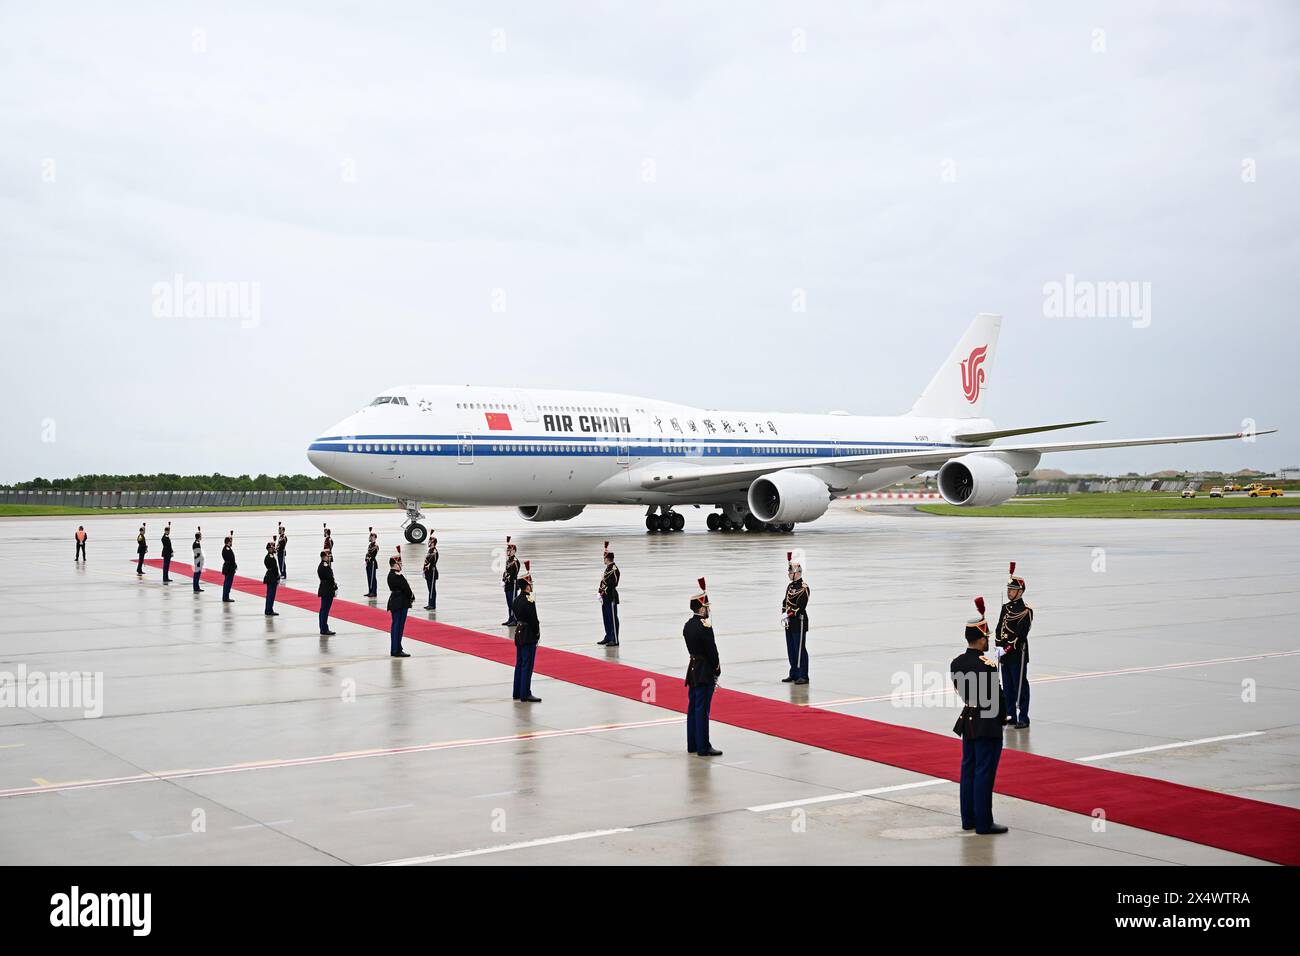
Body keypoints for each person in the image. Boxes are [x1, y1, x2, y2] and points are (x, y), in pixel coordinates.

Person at [951, 596, 1008, 835]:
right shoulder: (988, 662)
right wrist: (1003, 717)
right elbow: (996, 694)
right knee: (984, 772)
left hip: (969, 719)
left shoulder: (956, 662)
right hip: (987, 722)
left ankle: (968, 819)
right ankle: (984, 823)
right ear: (981, 637)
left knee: (968, 770)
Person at [683, 577, 722, 756]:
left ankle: (692, 744)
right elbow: (712, 651)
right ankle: (703, 747)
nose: (708, 610)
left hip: (692, 669)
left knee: (692, 708)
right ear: (701, 607)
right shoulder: (705, 626)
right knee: (702, 710)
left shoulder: (688, 626)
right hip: (704, 671)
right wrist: (717, 669)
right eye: (706, 607)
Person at [996, 561, 1034, 729]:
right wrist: (997, 646)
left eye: (1012, 590)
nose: (1009, 592)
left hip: (1017, 653)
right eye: (1008, 589)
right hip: (1004, 654)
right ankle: (1010, 714)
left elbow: (1020, 635)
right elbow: (999, 628)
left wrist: (1006, 649)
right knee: (1007, 687)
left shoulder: (1026, 611)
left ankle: (1023, 717)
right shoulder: (1005, 608)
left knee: (1020, 686)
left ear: (1020, 591)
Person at [511, 561, 541, 702]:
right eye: (530, 584)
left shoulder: (516, 600)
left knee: (519, 664)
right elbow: (534, 620)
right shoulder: (529, 600)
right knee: (527, 665)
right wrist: (537, 633)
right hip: (528, 634)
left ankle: (517, 692)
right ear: (527, 586)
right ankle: (525, 693)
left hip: (519, 633)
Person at [781, 553, 810, 684]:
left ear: (796, 573)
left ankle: (803, 675)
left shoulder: (804, 588)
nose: (788, 574)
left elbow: (800, 607)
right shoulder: (790, 586)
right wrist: (783, 613)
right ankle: (793, 673)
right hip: (789, 622)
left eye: (790, 572)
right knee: (791, 648)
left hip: (799, 621)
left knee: (799, 649)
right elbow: (785, 601)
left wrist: (789, 613)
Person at [387, 554, 414, 657]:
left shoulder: (390, 575)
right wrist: (411, 596)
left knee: (396, 626)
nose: (401, 566)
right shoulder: (397, 576)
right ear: (395, 565)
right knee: (398, 627)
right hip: (400, 602)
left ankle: (396, 648)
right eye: (400, 564)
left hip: (395, 602)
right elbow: (406, 589)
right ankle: (397, 649)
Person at [597, 544, 621, 646]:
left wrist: (605, 585)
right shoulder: (608, 568)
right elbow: (603, 582)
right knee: (606, 618)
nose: (603, 559)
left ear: (608, 558)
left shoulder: (614, 569)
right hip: (605, 597)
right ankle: (608, 636)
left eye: (604, 558)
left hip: (611, 597)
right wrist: (599, 592)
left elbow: (614, 583)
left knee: (612, 618)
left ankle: (615, 639)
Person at [317, 549, 337, 636]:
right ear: (324, 557)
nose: (329, 558)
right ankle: (324, 629)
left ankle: (323, 628)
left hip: (324, 588)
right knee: (325, 610)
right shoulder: (325, 566)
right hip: (327, 590)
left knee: (323, 610)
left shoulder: (322, 565)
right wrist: (335, 586)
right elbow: (330, 578)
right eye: (328, 556)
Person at [501, 537, 519, 626]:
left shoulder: (515, 562)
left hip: (513, 585)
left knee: (513, 603)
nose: (508, 552)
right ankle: (510, 618)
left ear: (514, 551)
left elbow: (513, 574)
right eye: (508, 550)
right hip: (508, 584)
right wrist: (503, 580)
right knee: (509, 603)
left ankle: (515, 620)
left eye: (510, 550)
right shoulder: (509, 560)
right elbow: (506, 571)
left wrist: (507, 579)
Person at [422, 537, 439, 610]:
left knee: (432, 589)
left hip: (432, 572)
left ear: (433, 542)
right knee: (430, 589)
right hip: (428, 572)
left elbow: (431, 562)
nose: (428, 543)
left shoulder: (434, 551)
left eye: (429, 541)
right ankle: (430, 603)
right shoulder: (430, 550)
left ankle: (432, 605)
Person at [263, 541, 280, 616]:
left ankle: (268, 609)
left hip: (269, 576)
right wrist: (277, 576)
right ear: (269, 549)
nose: (273, 549)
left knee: (269, 594)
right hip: (272, 577)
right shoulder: (271, 557)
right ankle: (269, 610)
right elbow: (275, 568)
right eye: (272, 548)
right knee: (271, 595)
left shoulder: (268, 556)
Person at [220, 533, 237, 602]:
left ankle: (226, 596)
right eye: (231, 541)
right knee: (228, 583)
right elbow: (231, 559)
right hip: (229, 568)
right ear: (228, 542)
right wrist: (234, 565)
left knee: (227, 583)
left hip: (228, 568)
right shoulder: (227, 549)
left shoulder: (227, 548)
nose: (231, 543)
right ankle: (226, 597)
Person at [364, 530, 379, 597]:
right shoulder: (370, 545)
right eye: (370, 537)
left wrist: (368, 558)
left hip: (372, 563)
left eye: (371, 537)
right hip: (368, 563)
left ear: (375, 538)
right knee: (369, 578)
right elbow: (368, 553)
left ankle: (374, 592)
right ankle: (370, 591)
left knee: (373, 578)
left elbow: (372, 555)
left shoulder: (376, 546)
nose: (370, 538)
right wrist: (366, 559)